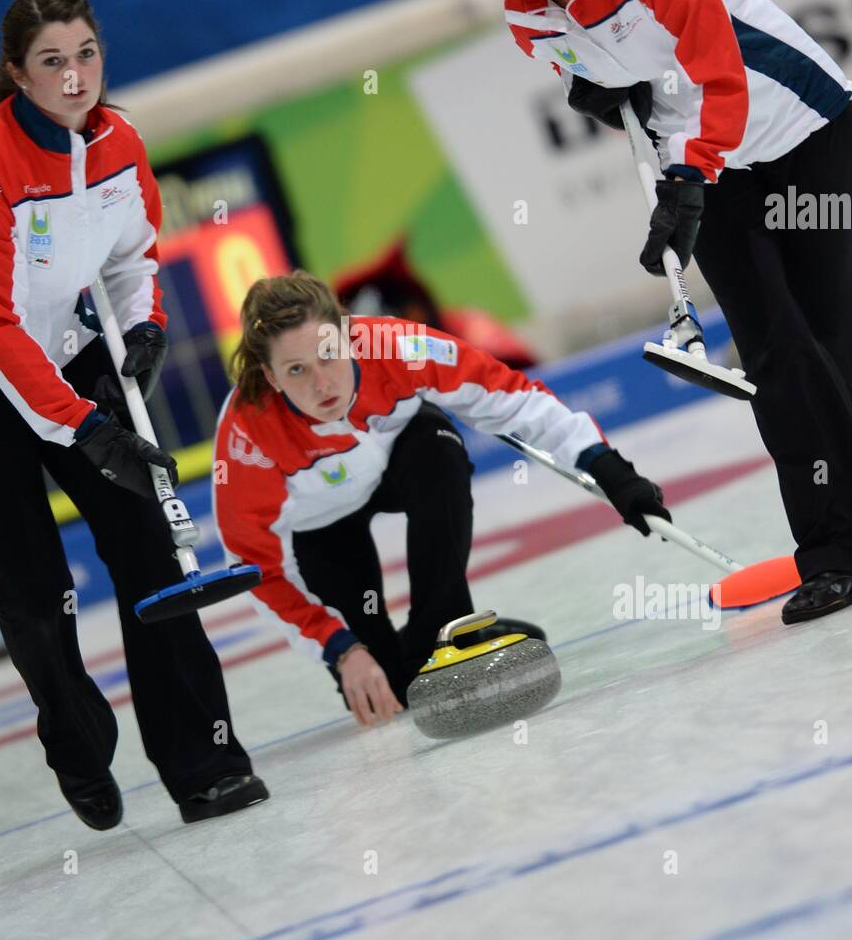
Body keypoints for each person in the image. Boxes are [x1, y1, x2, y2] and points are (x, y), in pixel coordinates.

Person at [445, 0, 852, 626]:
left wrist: (687, 179)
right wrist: (602, 102)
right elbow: (620, 96)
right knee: (772, 354)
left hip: (800, 127)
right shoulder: (526, 17)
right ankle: (831, 554)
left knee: (833, 334)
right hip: (702, 165)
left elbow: (719, 72)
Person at [0, 0, 267, 828]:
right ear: (17, 75)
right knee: (36, 586)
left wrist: (142, 330)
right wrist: (85, 428)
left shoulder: (120, 139)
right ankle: (74, 737)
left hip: (65, 351)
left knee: (149, 549)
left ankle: (202, 764)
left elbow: (133, 256)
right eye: (52, 63)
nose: (75, 78)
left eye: (86, 55)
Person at [212, 270, 669, 726]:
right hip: (322, 525)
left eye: (328, 354)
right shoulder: (246, 434)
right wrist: (339, 648)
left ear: (350, 333)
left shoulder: (396, 346)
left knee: (436, 445)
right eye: (296, 370)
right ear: (270, 376)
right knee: (393, 686)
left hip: (403, 468)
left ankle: (444, 631)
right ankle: (420, 646)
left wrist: (612, 472)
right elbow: (257, 567)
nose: (322, 384)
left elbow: (514, 398)